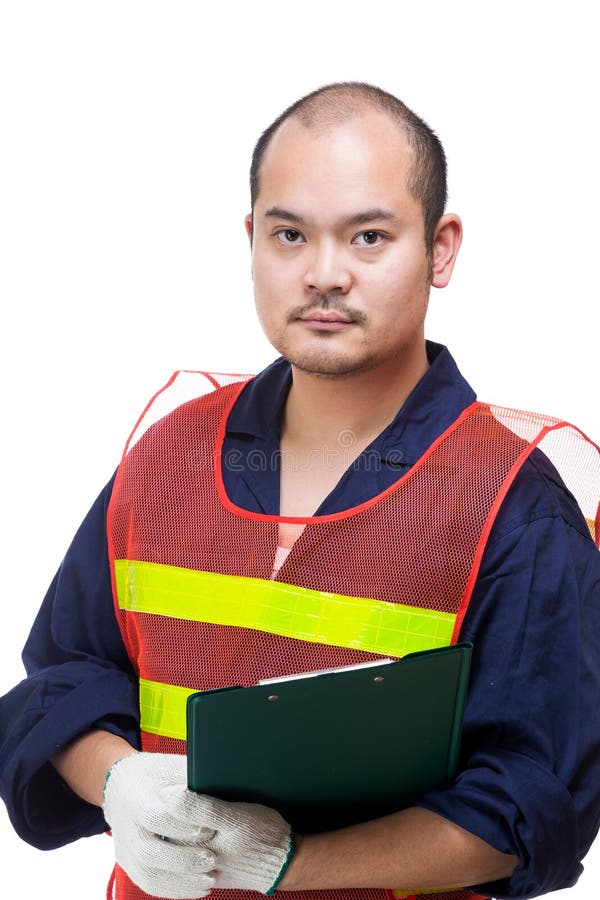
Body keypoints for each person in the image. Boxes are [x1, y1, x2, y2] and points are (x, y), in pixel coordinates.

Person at [1, 81, 599, 900]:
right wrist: (119, 784)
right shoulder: (167, 458)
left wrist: (284, 867)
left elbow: (535, 802)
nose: (324, 275)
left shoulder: (513, 507)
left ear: (442, 247)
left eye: (368, 237)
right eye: (289, 234)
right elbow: (63, 680)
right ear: (251, 240)